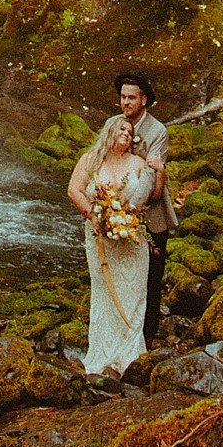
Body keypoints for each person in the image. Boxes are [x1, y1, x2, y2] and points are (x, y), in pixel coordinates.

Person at [67, 113, 156, 376]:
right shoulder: (91, 159)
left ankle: (129, 356)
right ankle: (103, 354)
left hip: (132, 240)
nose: (127, 133)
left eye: (130, 132)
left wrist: (159, 171)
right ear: (109, 129)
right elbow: (74, 190)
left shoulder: (139, 163)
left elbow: (154, 193)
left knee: (133, 292)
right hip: (99, 238)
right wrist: (93, 215)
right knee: (104, 293)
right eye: (122, 128)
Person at [114, 71, 177, 343]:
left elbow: (152, 178)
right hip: (117, 210)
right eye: (122, 97)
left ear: (144, 100)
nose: (125, 102)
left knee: (152, 276)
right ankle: (122, 328)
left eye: (131, 97)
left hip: (151, 216)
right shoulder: (113, 124)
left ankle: (147, 335)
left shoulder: (157, 131)